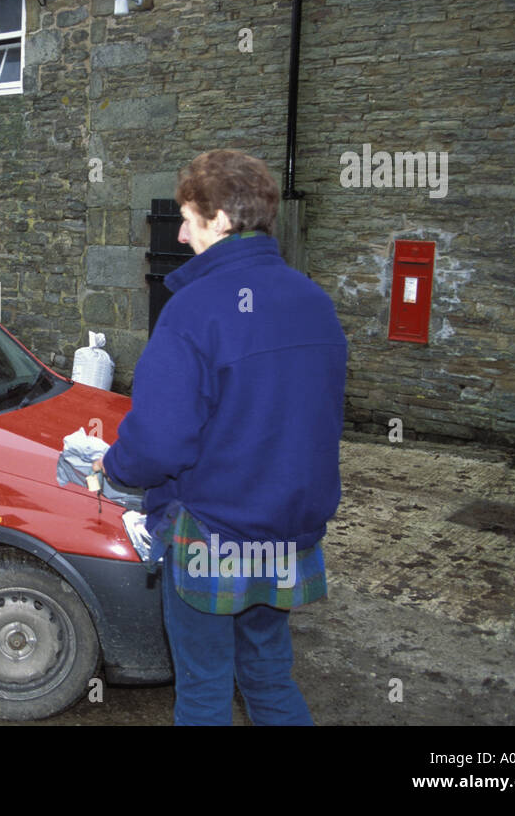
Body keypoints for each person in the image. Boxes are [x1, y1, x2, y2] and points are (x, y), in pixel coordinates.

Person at [94, 149, 347, 725]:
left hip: (214, 533)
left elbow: (159, 442)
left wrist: (114, 469)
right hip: (288, 532)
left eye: (188, 218)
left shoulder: (194, 309)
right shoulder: (314, 302)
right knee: (268, 676)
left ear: (222, 220)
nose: (180, 234)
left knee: (204, 690)